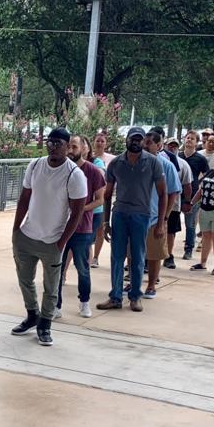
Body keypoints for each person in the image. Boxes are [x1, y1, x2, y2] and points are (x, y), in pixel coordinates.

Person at [10, 127, 87, 345]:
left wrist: (62, 241)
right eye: (50, 143)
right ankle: (32, 314)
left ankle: (45, 323)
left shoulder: (74, 174)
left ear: (67, 146)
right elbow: (24, 198)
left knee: (51, 286)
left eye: (58, 144)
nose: (53, 147)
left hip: (52, 240)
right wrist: (16, 230)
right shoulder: (35, 166)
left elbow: (77, 212)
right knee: (25, 279)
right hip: (27, 235)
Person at [96, 127, 166, 313]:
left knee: (138, 256)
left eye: (139, 139)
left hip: (142, 215)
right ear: (126, 140)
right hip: (119, 213)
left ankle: (136, 296)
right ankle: (115, 296)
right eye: (132, 139)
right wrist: (105, 222)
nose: (135, 142)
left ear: (144, 142)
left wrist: (160, 223)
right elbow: (107, 194)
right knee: (117, 256)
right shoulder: (116, 163)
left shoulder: (153, 162)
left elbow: (163, 193)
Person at [56, 134, 106, 318]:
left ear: (84, 148)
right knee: (56, 268)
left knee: (82, 268)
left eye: (74, 147)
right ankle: (56, 305)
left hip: (82, 229)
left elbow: (100, 199)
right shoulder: (59, 169)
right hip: (59, 228)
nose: (70, 150)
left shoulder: (93, 171)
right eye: (68, 146)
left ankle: (84, 302)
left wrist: (80, 209)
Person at [141, 131, 181, 299]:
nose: (145, 145)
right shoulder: (136, 162)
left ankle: (151, 285)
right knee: (133, 252)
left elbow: (173, 193)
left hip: (155, 217)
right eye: (144, 142)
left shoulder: (167, 166)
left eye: (149, 142)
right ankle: (133, 282)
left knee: (154, 254)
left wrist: (164, 218)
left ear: (159, 146)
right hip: (136, 216)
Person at [163, 136, 193, 269]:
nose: (172, 147)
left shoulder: (183, 164)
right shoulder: (159, 161)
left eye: (175, 145)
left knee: (170, 231)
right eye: (170, 145)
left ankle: (169, 255)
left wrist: (187, 201)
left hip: (174, 204)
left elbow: (187, 185)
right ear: (164, 145)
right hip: (155, 203)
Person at [179, 131, 208, 260]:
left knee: (190, 223)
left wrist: (200, 184)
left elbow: (207, 174)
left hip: (192, 194)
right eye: (188, 138)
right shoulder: (178, 156)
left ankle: (189, 249)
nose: (189, 140)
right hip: (176, 193)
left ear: (197, 142)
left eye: (192, 139)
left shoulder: (200, 159)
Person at [91, 132, 112, 266]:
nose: (99, 143)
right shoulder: (88, 157)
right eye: (97, 141)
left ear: (106, 144)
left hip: (103, 198)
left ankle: (96, 257)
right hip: (90, 198)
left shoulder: (110, 159)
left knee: (100, 229)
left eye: (102, 141)